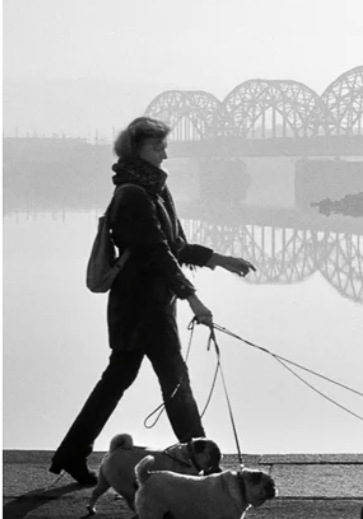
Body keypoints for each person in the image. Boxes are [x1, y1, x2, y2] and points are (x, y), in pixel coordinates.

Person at [49, 116, 256, 485]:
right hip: (139, 307)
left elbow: (176, 246)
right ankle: (204, 464)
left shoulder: (155, 190)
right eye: (157, 146)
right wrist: (193, 299)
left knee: (120, 379)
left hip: (150, 304)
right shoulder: (132, 195)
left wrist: (221, 260)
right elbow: (155, 252)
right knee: (174, 380)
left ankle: (72, 453)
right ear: (136, 149)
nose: (165, 153)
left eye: (164, 145)